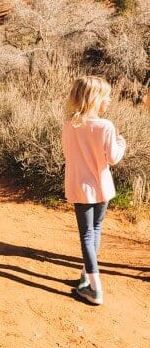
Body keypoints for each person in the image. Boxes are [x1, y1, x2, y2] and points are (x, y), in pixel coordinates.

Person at [61, 76, 126, 306]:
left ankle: (90, 280)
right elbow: (114, 158)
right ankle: (92, 283)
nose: (109, 100)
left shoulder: (69, 125)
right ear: (95, 99)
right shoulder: (105, 126)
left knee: (88, 233)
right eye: (106, 96)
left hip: (80, 186)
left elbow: (67, 153)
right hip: (103, 187)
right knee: (95, 230)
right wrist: (122, 142)